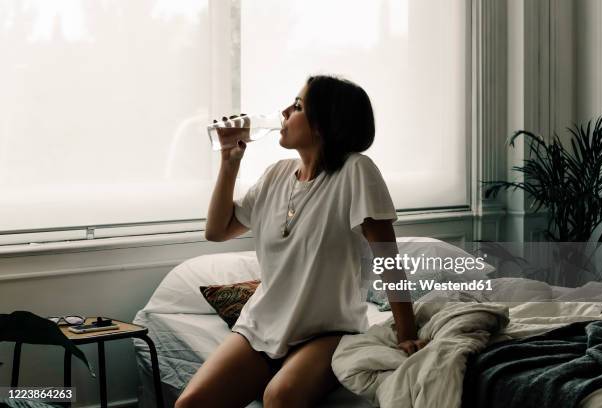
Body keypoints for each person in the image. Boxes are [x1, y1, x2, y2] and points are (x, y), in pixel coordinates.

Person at [175, 75, 427, 408]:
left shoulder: (357, 171)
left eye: (297, 106)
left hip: (328, 332)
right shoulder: (275, 175)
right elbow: (217, 231)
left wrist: (407, 333)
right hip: (261, 326)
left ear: (323, 123)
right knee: (190, 404)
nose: (284, 112)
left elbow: (387, 258)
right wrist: (228, 161)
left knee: (279, 398)